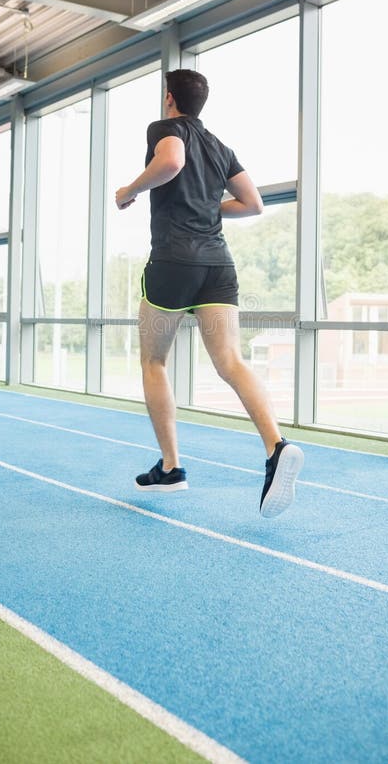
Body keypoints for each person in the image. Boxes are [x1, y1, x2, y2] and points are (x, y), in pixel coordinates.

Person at [115, 69, 303, 517]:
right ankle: (276, 446)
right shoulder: (220, 146)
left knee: (153, 360)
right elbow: (253, 204)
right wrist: (207, 207)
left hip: (174, 265)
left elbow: (172, 162)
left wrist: (130, 190)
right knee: (231, 362)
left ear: (169, 99)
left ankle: (172, 467)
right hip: (218, 268)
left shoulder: (166, 129)